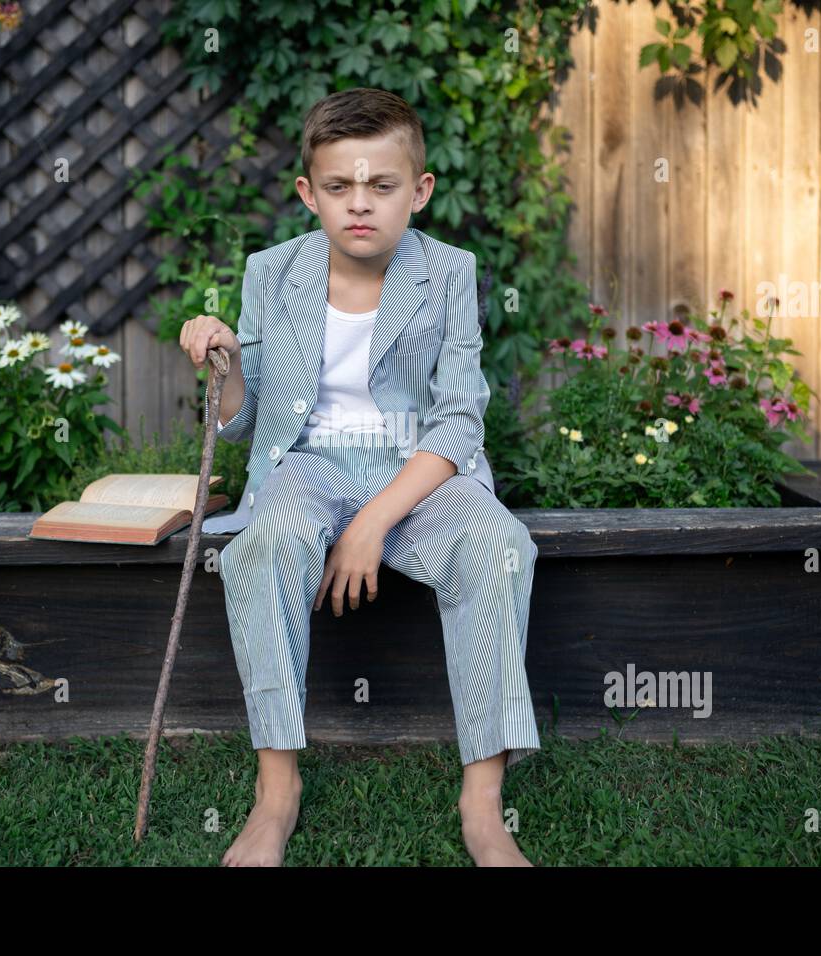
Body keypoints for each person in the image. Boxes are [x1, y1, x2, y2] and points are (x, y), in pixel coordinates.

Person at [178, 88, 541, 866]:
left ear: (420, 190)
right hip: (306, 465)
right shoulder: (273, 274)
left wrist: (372, 523)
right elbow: (243, 421)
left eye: (382, 186)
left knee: (498, 545)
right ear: (309, 193)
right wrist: (228, 362)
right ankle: (277, 791)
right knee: (261, 545)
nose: (361, 206)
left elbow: (458, 420)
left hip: (421, 472)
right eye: (339, 187)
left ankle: (483, 801)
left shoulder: (448, 273)